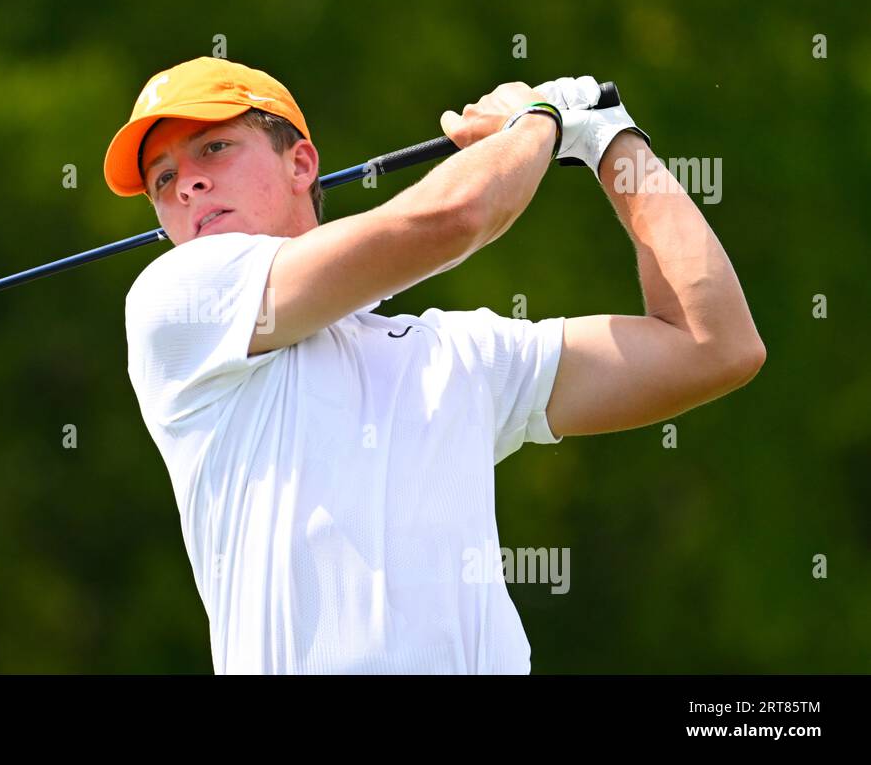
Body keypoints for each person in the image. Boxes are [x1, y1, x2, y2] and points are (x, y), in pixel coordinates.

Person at [103, 56, 765, 674]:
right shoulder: (176, 302)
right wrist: (544, 118)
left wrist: (612, 142)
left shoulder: (457, 354)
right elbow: (452, 217)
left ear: (301, 162)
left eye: (214, 147)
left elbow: (713, 346)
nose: (186, 182)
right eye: (162, 179)